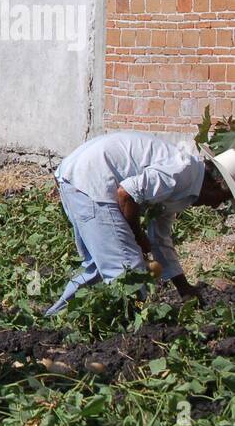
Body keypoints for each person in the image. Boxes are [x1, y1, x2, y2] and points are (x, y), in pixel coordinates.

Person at [45, 130, 235, 315]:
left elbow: (160, 241)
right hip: (93, 178)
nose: (216, 205)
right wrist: (138, 236)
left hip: (80, 175)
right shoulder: (183, 172)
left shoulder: (186, 188)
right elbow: (126, 193)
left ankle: (55, 318)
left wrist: (183, 287)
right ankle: (134, 333)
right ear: (216, 184)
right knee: (128, 268)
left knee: (100, 265)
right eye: (223, 198)